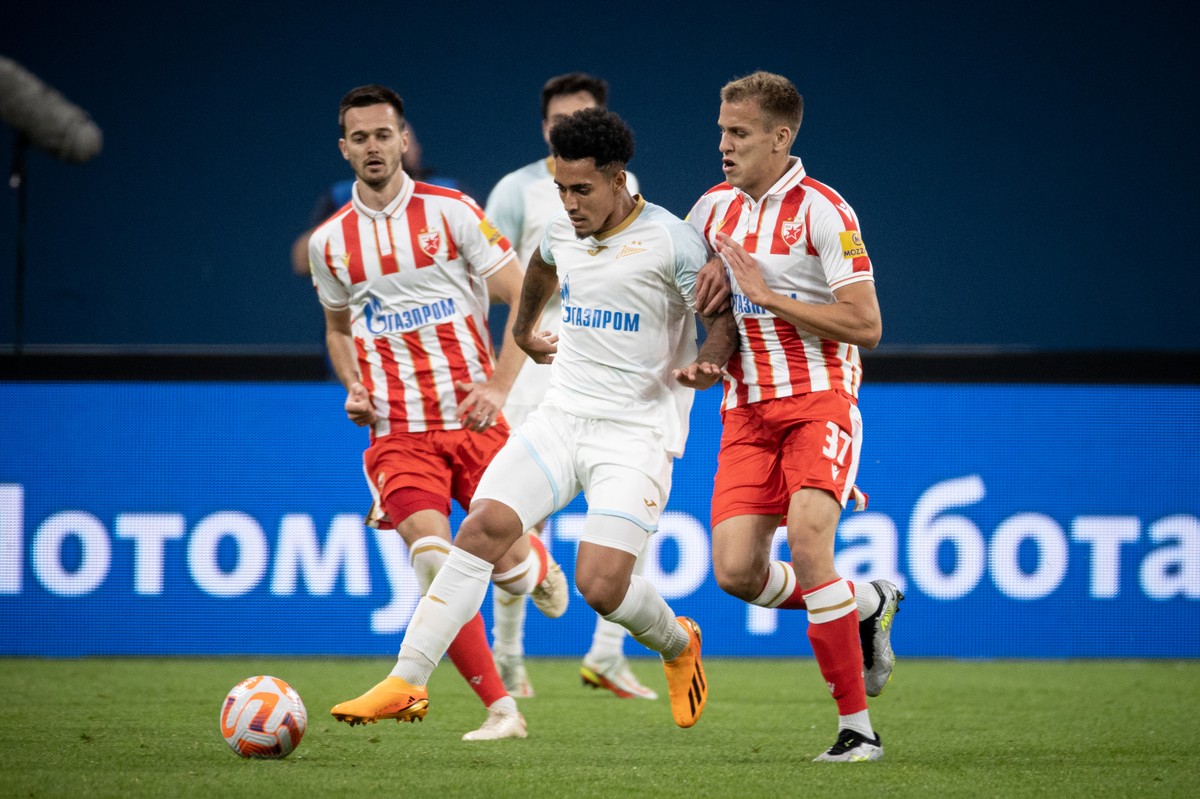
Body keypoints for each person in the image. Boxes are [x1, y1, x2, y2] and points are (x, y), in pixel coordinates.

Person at [329, 107, 739, 732]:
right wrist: (524, 330)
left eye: (582, 189)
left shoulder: (672, 241)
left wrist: (709, 363)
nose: (569, 204)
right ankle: (406, 681)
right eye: (561, 189)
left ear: (618, 178)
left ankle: (679, 644)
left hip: (635, 434)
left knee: (600, 586)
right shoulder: (561, 228)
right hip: (560, 418)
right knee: (481, 531)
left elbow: (721, 322)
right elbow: (542, 265)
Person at [308, 84, 569, 742]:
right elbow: (338, 330)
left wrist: (499, 387)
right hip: (398, 433)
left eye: (383, 134)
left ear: (403, 139)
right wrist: (353, 384)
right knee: (433, 562)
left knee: (510, 570)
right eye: (360, 137)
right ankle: (501, 709)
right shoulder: (330, 243)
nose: (373, 146)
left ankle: (535, 565)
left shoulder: (452, 212)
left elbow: (524, 295)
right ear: (344, 148)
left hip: (474, 424)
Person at [688, 71, 902, 762]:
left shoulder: (825, 212)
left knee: (810, 547)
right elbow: (712, 311)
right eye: (722, 131)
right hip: (747, 410)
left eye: (739, 133)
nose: (724, 145)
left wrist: (767, 293)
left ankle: (857, 730)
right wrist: (709, 347)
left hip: (820, 399)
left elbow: (866, 325)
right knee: (736, 573)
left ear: (781, 137)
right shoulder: (710, 211)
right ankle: (864, 604)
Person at [483, 72, 656, 701]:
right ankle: (508, 658)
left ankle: (607, 654)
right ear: (544, 128)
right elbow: (490, 278)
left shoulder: (625, 187)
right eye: (560, 121)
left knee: (628, 515)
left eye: (582, 117)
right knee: (516, 519)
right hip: (537, 365)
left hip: (606, 371)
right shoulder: (515, 191)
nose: (570, 129)